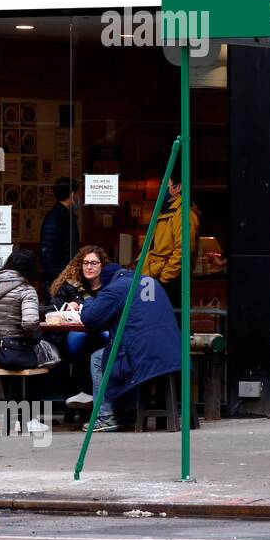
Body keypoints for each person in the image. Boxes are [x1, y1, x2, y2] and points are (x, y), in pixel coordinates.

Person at [78, 265, 182, 433]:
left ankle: (105, 417)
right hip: (173, 351)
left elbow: (90, 319)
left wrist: (89, 300)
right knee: (114, 354)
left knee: (98, 358)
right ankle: (126, 415)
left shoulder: (115, 288)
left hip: (144, 354)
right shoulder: (151, 281)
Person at [0, 248, 61, 370]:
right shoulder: (26, 290)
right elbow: (30, 323)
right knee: (52, 352)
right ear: (31, 269)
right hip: (15, 354)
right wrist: (34, 339)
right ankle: (44, 389)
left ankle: (14, 389)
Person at [47, 245, 113, 410]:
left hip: (104, 336)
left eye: (94, 263)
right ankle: (85, 392)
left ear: (102, 265)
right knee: (82, 338)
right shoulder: (70, 286)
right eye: (85, 263)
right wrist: (68, 308)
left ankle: (89, 394)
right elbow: (51, 313)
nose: (89, 267)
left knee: (103, 340)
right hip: (73, 340)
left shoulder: (111, 288)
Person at [140, 170, 200, 314]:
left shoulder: (184, 213)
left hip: (168, 282)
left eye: (164, 185)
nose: (161, 188)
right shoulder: (167, 211)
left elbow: (183, 251)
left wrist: (165, 278)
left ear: (178, 188)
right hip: (153, 278)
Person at [39, 177, 80, 296]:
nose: (78, 197)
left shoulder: (61, 216)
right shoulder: (58, 217)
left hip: (62, 275)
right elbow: (48, 251)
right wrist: (61, 275)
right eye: (77, 194)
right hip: (59, 276)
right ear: (72, 195)